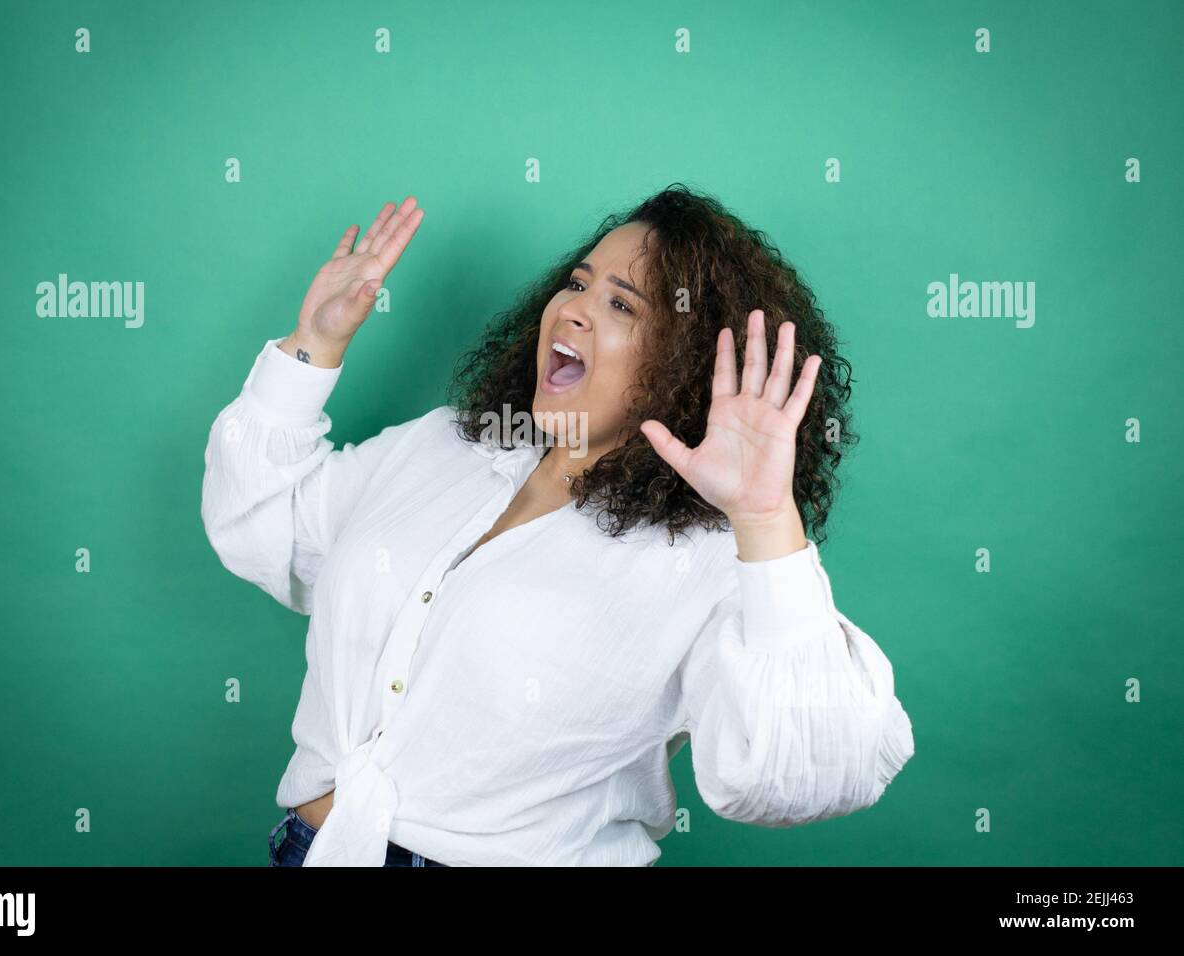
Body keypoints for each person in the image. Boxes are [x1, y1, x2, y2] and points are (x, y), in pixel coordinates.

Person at [201, 185, 915, 867]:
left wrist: (765, 517)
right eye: (576, 283)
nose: (573, 309)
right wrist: (312, 343)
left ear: (686, 365)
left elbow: (811, 771)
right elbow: (265, 529)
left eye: (621, 305)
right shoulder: (444, 445)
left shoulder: (710, 556)